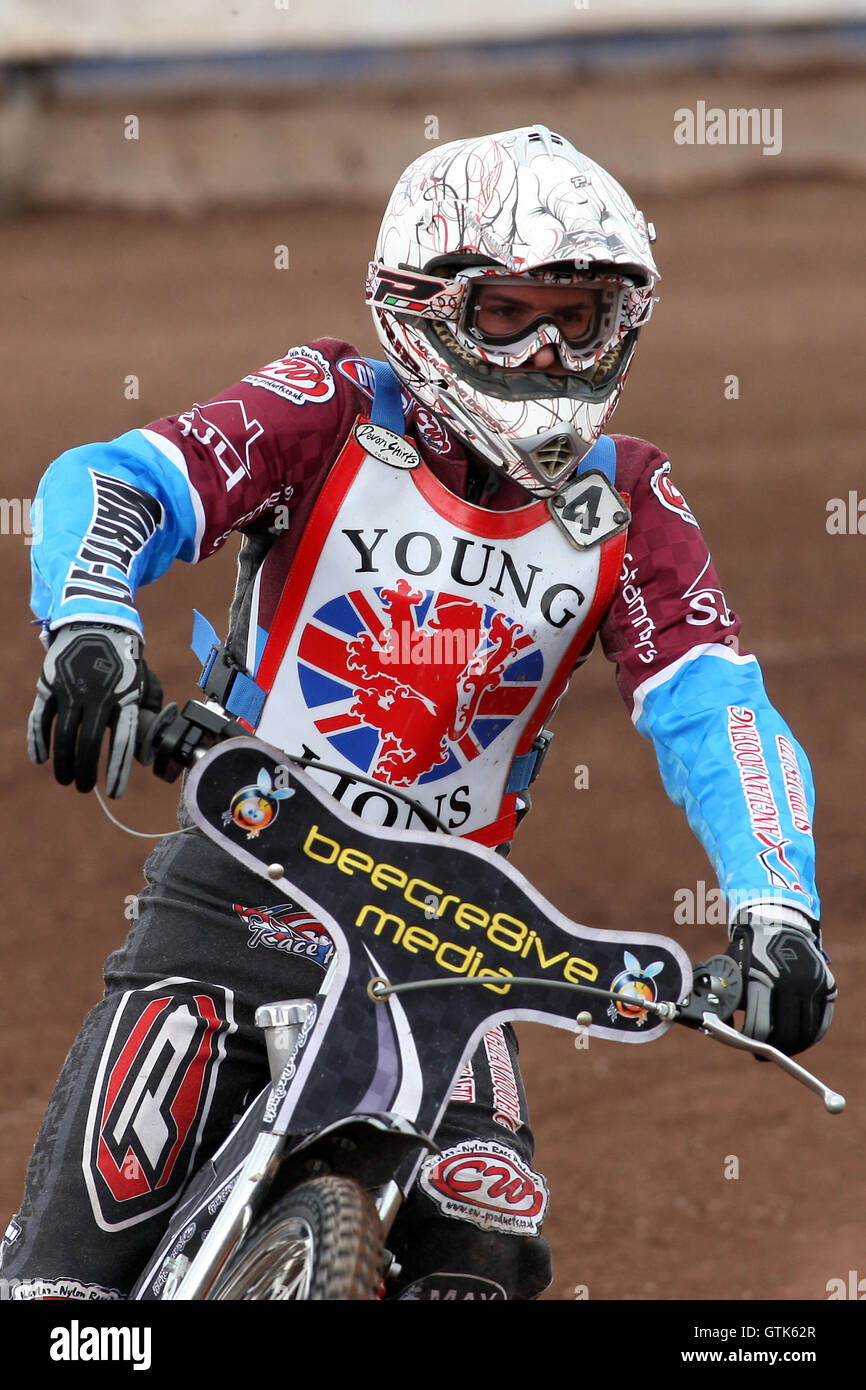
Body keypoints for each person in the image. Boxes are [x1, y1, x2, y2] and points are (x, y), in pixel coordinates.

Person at [4, 124, 834, 1302]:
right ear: (421, 302)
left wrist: (775, 909)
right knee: (65, 1284)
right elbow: (118, 478)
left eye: (579, 317)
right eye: (508, 313)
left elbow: (714, 704)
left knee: (484, 1243)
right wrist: (91, 624)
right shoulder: (333, 406)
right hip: (243, 878)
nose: (549, 351)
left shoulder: (625, 502)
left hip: (448, 929)